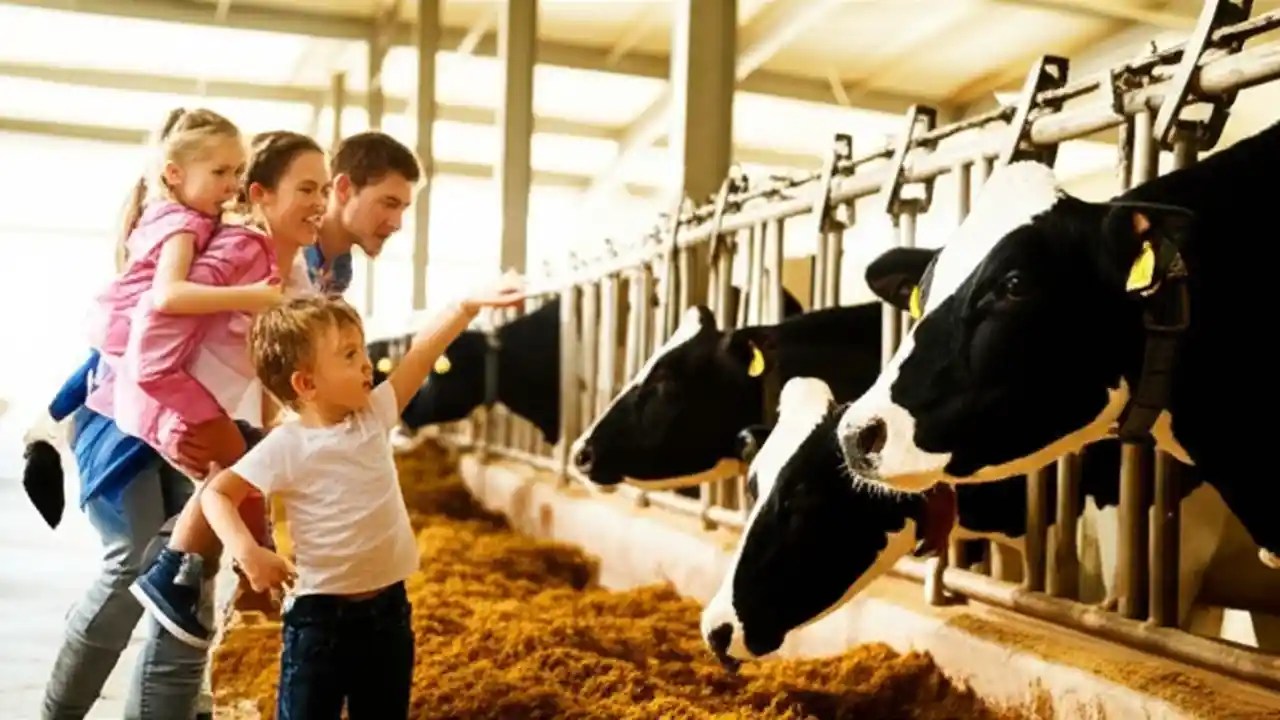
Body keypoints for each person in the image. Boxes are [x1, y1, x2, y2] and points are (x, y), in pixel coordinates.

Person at [37, 125, 327, 720]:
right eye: (308, 188)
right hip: (138, 416)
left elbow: (259, 377)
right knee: (137, 563)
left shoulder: (293, 274)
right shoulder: (225, 251)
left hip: (181, 418)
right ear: (260, 193)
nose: (319, 202)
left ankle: (178, 703)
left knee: (181, 566)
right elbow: (150, 334)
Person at [129, 131, 423, 651]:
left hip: (229, 409)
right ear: (344, 188)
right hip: (183, 403)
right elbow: (184, 317)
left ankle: (197, 670)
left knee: (207, 564)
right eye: (389, 203)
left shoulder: (335, 267)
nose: (398, 221)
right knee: (157, 572)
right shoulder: (263, 252)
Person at [200, 279, 524, 719]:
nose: (367, 365)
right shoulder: (286, 446)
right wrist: (247, 552)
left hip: (389, 613)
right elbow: (217, 495)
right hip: (319, 621)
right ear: (307, 383)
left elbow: (422, 354)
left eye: (363, 350)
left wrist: (464, 307)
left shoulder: (375, 414)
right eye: (349, 355)